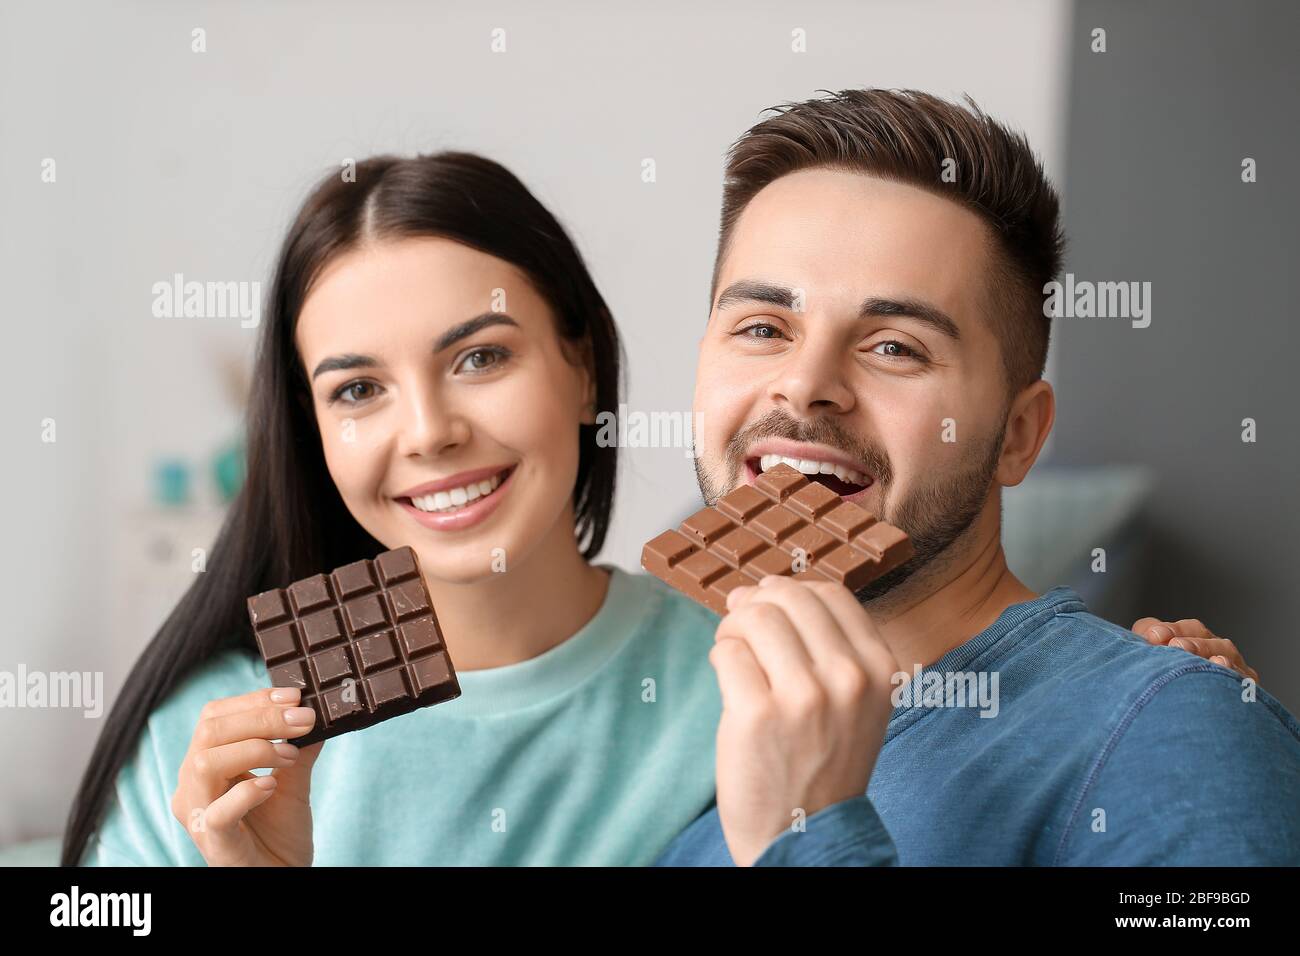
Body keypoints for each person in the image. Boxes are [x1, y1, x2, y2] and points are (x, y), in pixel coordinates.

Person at [655, 89, 1300, 866]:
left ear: (1017, 436)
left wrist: (807, 834)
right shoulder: (701, 783)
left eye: (895, 346)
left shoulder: (1175, 727)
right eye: (763, 328)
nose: (804, 383)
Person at [63, 152, 723, 866]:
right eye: (357, 390)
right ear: (312, 430)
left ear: (583, 365)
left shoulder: (753, 678)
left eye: (479, 358)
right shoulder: (217, 753)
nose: (430, 431)